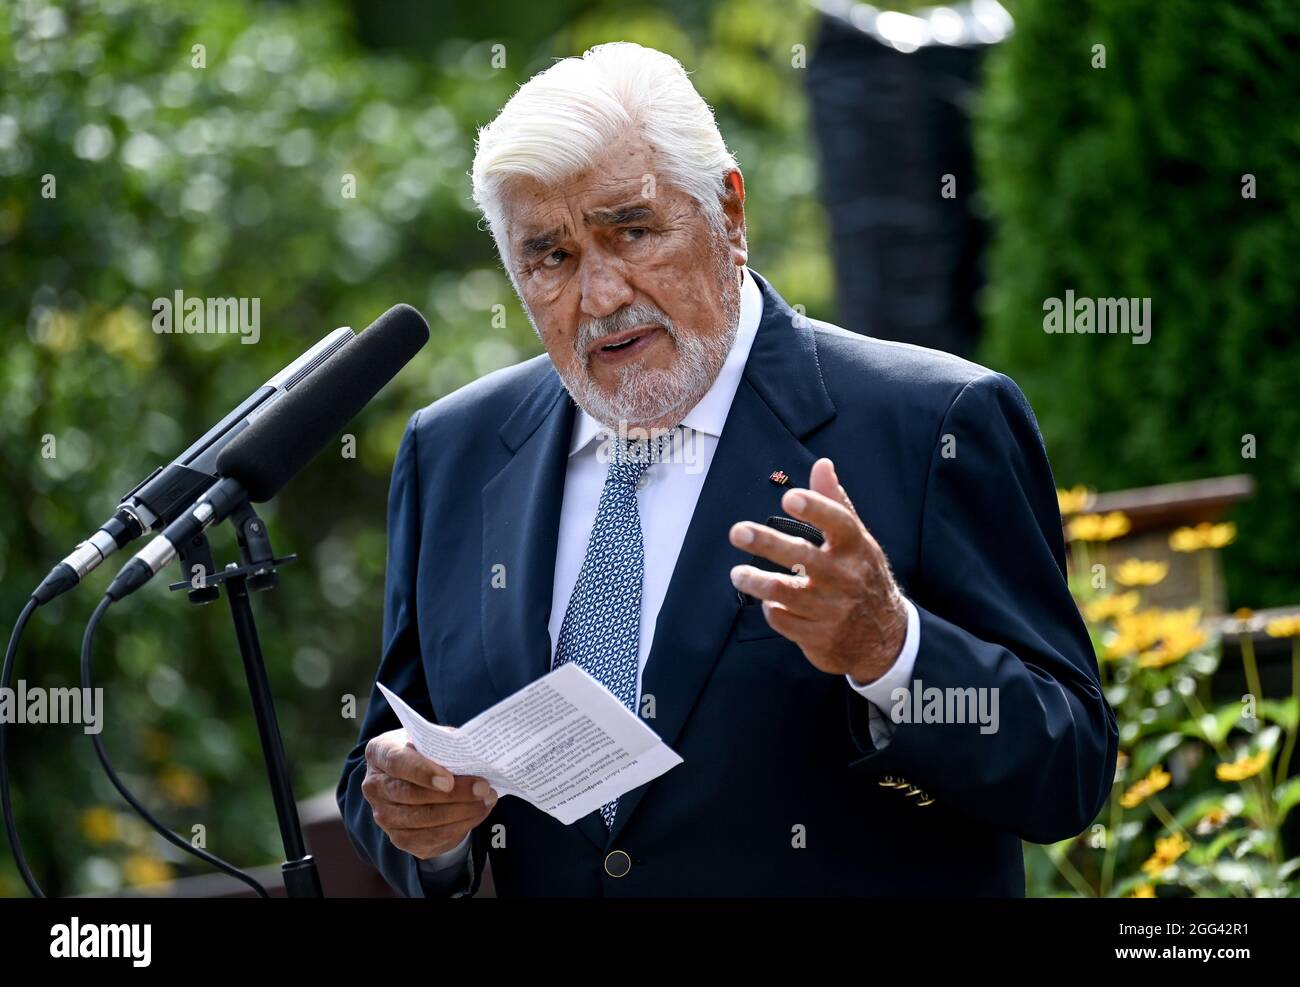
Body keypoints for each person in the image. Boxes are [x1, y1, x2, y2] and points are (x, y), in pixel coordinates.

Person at [336, 41, 1117, 897]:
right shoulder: (454, 449)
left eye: (631, 230)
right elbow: (387, 769)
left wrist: (891, 649)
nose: (599, 294)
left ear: (730, 213)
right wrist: (424, 825)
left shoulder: (931, 421)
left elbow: (1069, 765)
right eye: (551, 257)